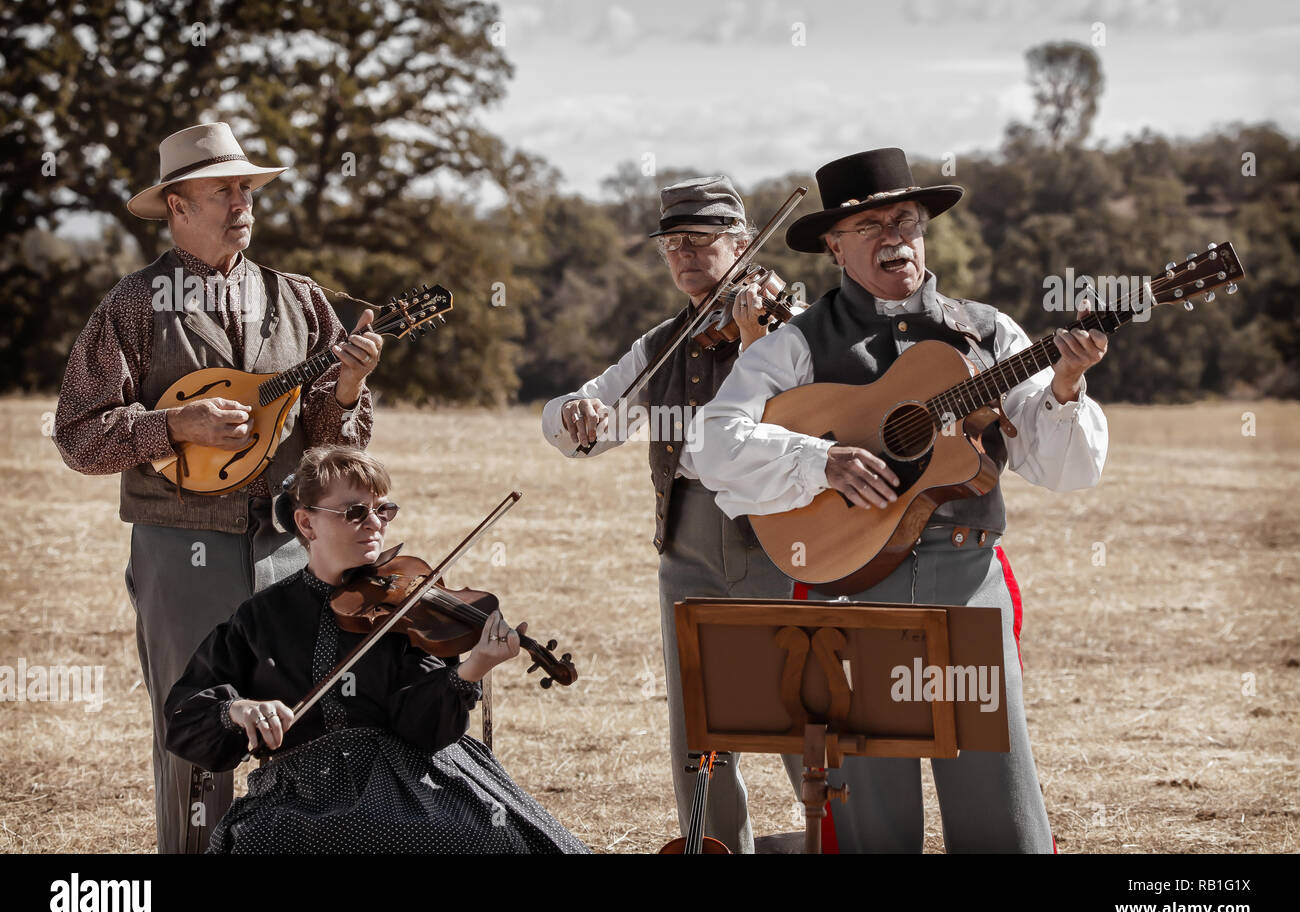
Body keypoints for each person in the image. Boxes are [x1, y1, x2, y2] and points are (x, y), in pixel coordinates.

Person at [691, 148, 1110, 853]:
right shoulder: (797, 344)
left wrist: (1066, 384)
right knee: (871, 821)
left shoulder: (986, 332)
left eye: (907, 219)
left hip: (968, 592)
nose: (896, 236)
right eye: (871, 224)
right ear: (833, 245)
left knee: (997, 808)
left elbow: (1065, 468)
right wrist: (821, 461)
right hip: (851, 598)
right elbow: (713, 442)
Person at [53, 121, 385, 853]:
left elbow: (336, 447)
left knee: (307, 727)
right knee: (200, 736)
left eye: (248, 188)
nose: (243, 201)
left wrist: (350, 386)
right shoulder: (135, 305)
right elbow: (77, 432)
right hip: (181, 548)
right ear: (177, 204)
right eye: (224, 189)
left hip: (293, 552)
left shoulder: (299, 300)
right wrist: (173, 426)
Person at [163, 445, 587, 853]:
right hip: (299, 792)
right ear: (307, 525)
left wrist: (469, 672)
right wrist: (237, 709)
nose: (375, 524)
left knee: (483, 839)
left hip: (410, 778)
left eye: (383, 510)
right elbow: (185, 714)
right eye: (355, 512)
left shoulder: (409, 610)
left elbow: (420, 732)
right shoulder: (259, 617)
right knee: (268, 843)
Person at [541, 176, 794, 854]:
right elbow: (574, 420)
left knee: (804, 714)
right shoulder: (661, 343)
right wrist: (575, 413)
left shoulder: (791, 326)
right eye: (672, 244)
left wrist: (753, 339)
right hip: (685, 541)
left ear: (743, 244)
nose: (683, 254)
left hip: (778, 540)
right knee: (698, 732)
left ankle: (844, 839)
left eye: (701, 240)